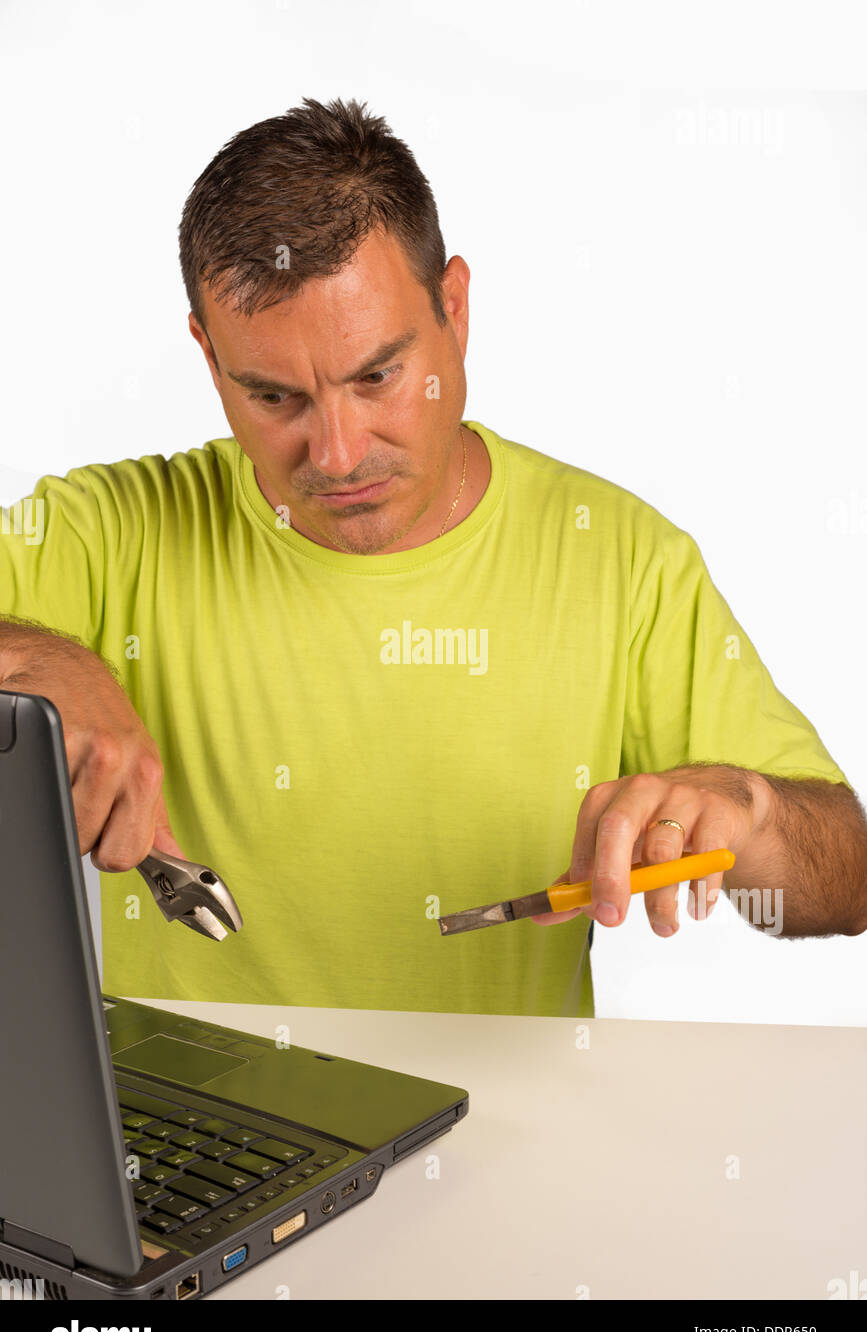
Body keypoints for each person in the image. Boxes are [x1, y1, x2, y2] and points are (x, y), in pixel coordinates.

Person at [1, 97, 864, 1020]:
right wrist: (38, 659)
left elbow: (846, 882)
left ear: (453, 308)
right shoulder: (108, 531)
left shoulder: (619, 557)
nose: (337, 454)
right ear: (209, 357)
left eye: (376, 376)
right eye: (274, 397)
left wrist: (751, 813)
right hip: (184, 1113)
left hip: (512, 1113)